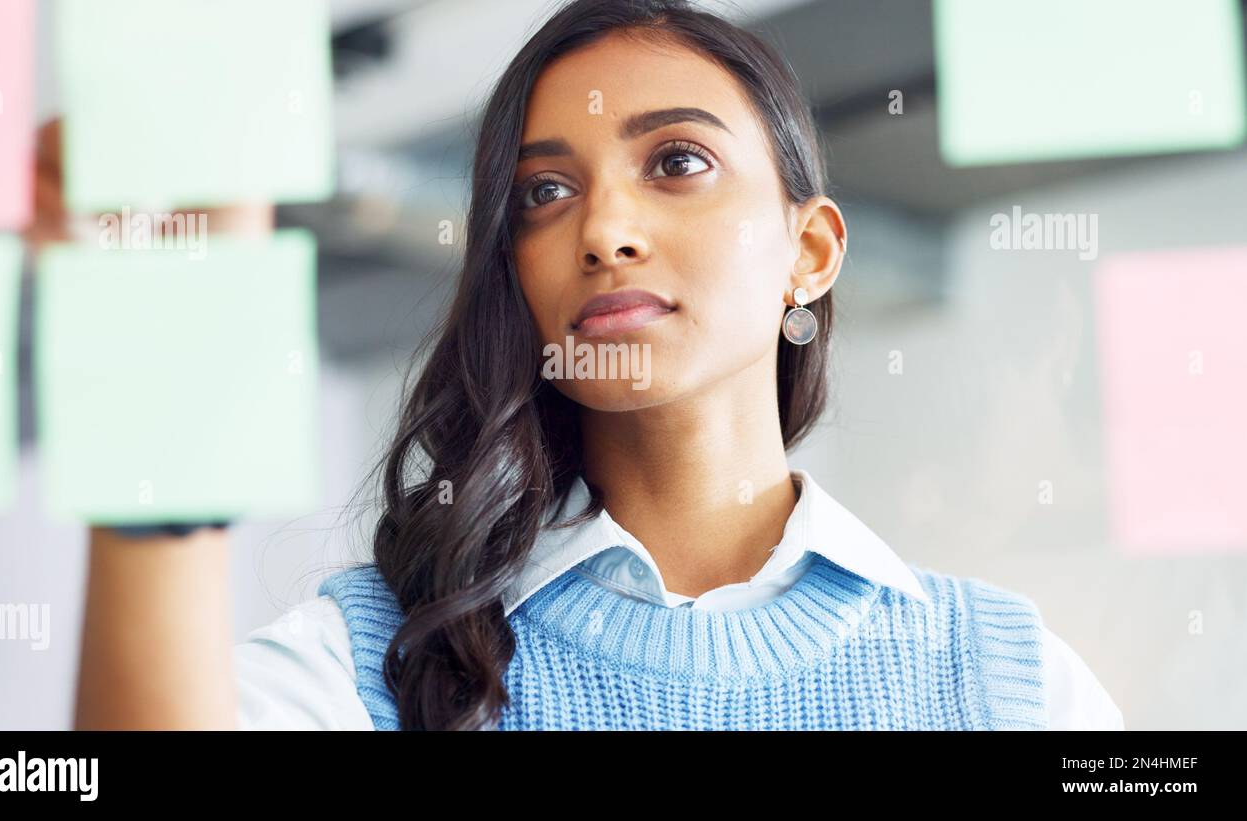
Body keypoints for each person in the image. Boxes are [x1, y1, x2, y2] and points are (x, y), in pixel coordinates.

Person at [73, 0, 1124, 731]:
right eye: (543, 192)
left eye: (677, 161)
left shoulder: (1006, 678)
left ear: (809, 252)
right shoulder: (380, 661)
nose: (604, 227)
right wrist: (169, 334)